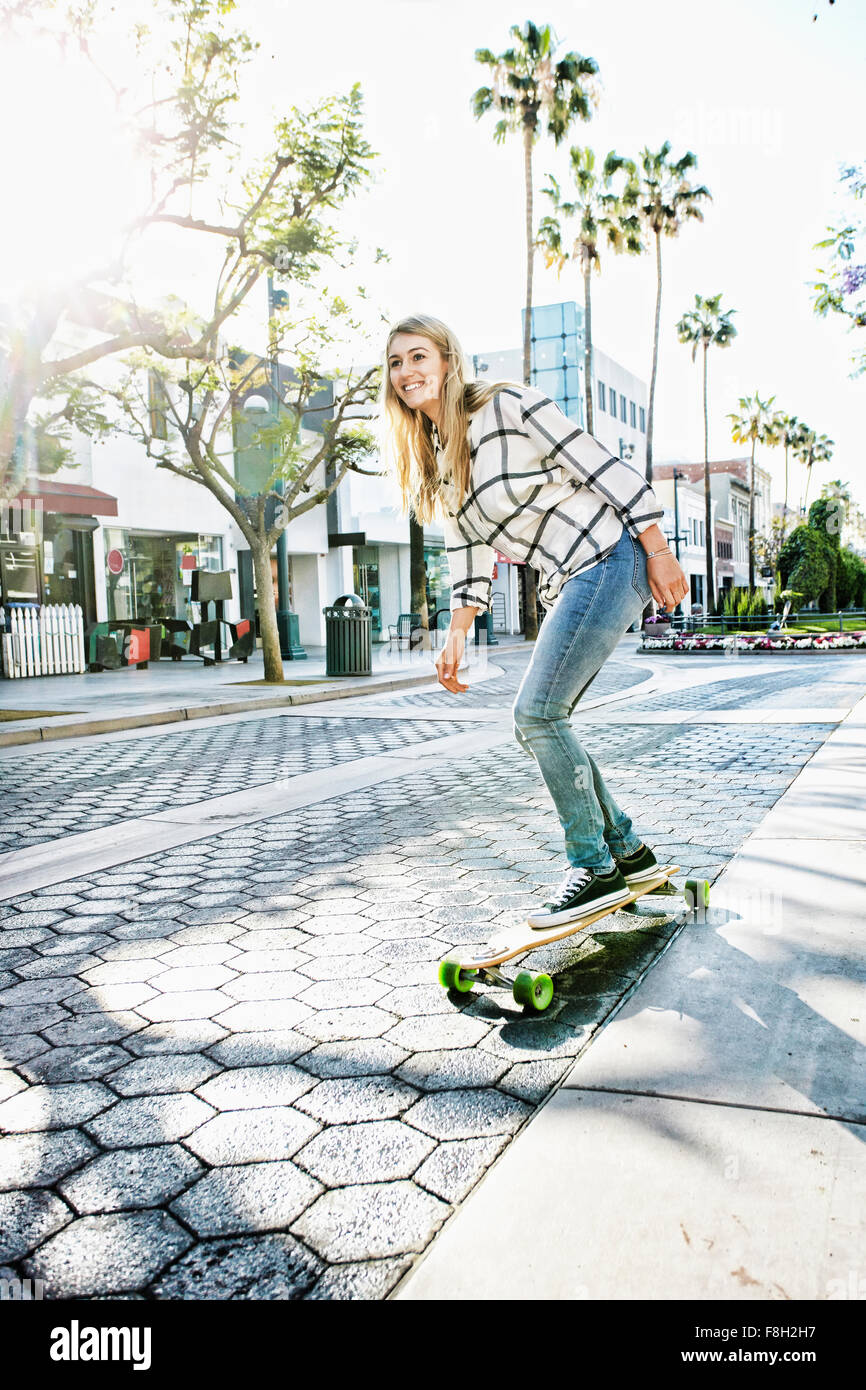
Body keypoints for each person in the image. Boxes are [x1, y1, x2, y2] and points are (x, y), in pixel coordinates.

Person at [382, 314, 689, 928]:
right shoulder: (439, 456)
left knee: (536, 714)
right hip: (570, 579)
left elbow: (601, 465)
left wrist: (658, 549)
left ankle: (593, 867)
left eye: (418, 357)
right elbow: (467, 548)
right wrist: (457, 633)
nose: (407, 372)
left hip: (608, 555)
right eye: (395, 364)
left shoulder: (509, 405)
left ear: (447, 360)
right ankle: (626, 851)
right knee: (540, 720)